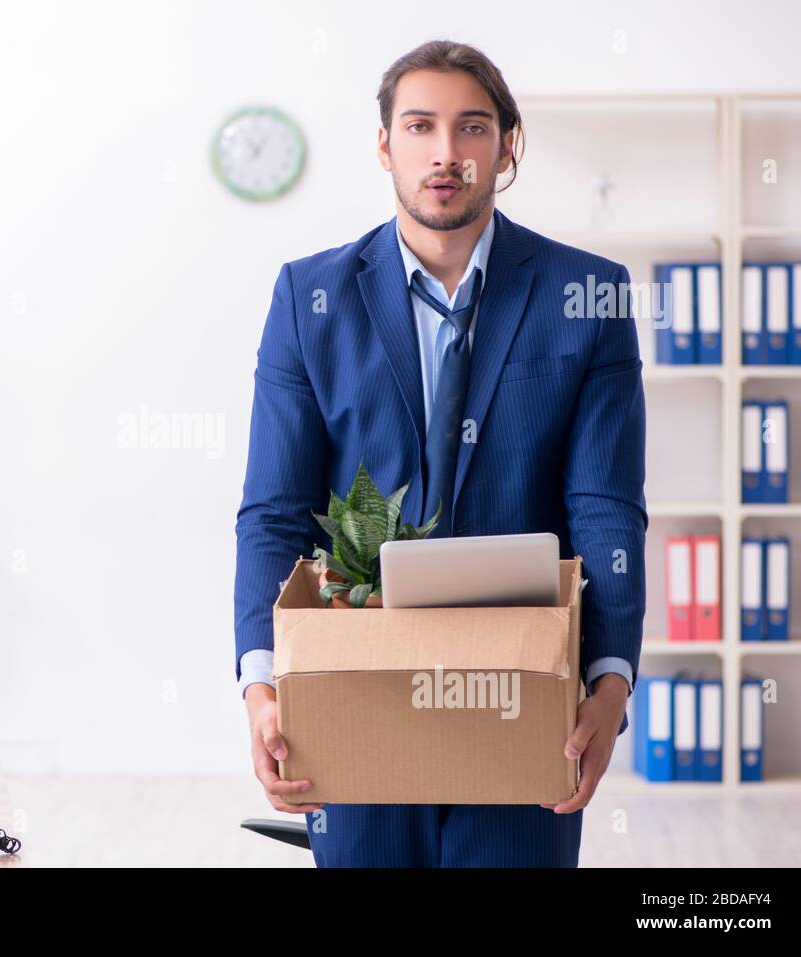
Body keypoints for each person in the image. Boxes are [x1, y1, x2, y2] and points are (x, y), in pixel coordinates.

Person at [235, 39, 646, 867]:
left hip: (526, 701)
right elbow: (273, 512)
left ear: (507, 143)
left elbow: (605, 507)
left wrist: (610, 680)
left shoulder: (588, 296)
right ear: (384, 144)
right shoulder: (308, 298)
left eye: (473, 128)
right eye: (420, 127)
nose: (446, 154)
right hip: (355, 694)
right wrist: (262, 683)